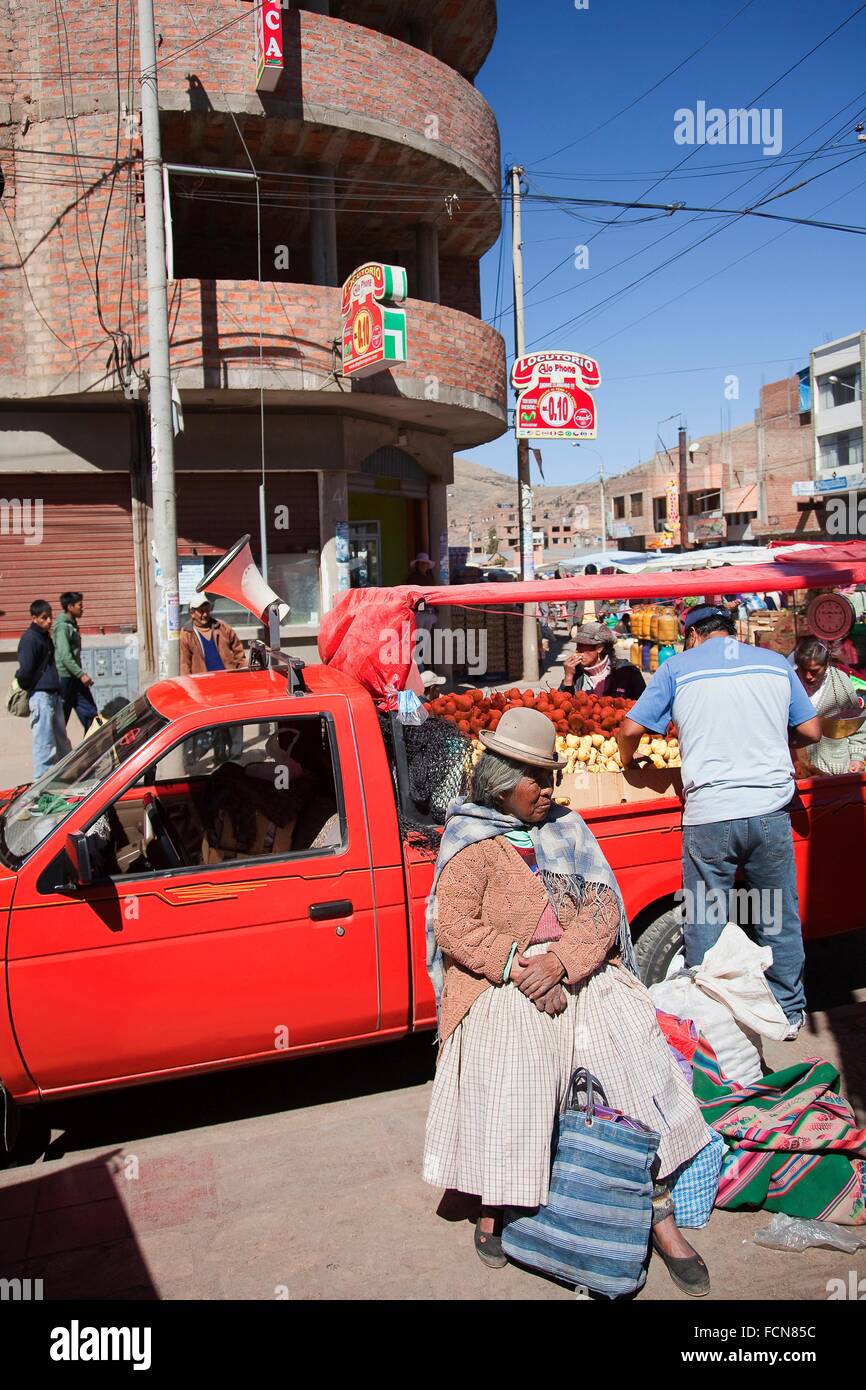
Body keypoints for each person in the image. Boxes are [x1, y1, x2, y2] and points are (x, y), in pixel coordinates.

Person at [422, 706, 713, 1294]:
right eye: (539, 779)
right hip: (498, 976)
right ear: (505, 783)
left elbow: (603, 911)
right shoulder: (469, 839)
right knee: (519, 1057)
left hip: (570, 966)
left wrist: (560, 963)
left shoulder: (566, 828)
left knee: (630, 1045)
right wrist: (518, 965)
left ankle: (656, 1211)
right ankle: (498, 1202)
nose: (551, 790)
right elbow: (454, 926)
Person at [617, 604, 822, 1038]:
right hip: (769, 810)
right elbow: (812, 732)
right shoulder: (773, 664)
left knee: (707, 916)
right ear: (731, 632)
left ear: (692, 636)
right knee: (777, 915)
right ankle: (788, 1011)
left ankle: (711, 1019)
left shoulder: (677, 668)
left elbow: (630, 729)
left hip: (710, 814)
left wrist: (629, 762)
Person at [793, 636, 866, 777]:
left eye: (814, 671)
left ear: (826, 665)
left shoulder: (840, 682)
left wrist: (857, 758)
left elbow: (858, 724)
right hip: (801, 773)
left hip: (837, 770)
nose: (808, 676)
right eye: (804, 670)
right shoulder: (791, 685)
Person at [16, 599, 72, 779]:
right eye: (44, 618)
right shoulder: (29, 639)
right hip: (40, 696)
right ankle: (42, 783)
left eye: (50, 617)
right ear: (34, 618)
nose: (49, 621)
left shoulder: (45, 637)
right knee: (45, 742)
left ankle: (66, 777)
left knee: (61, 740)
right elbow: (25, 670)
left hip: (53, 695)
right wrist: (29, 686)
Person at [560, 621, 646, 699]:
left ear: (599, 648)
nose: (577, 651)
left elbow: (644, 704)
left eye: (582, 646)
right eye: (577, 646)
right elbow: (560, 707)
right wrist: (568, 677)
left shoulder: (627, 671)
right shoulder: (576, 672)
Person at [54, 591, 99, 734]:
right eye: (80, 605)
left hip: (75, 677)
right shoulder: (62, 627)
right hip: (65, 678)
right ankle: (59, 754)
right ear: (70, 606)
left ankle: (93, 750)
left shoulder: (71, 624)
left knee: (91, 715)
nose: (82, 608)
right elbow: (64, 655)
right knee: (61, 720)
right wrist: (81, 674)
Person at [179, 593, 246, 676]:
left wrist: (242, 672)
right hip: (204, 682)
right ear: (192, 613)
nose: (205, 614)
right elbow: (185, 664)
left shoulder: (222, 627)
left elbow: (239, 653)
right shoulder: (187, 633)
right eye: (201, 611)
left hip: (227, 678)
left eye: (207, 610)